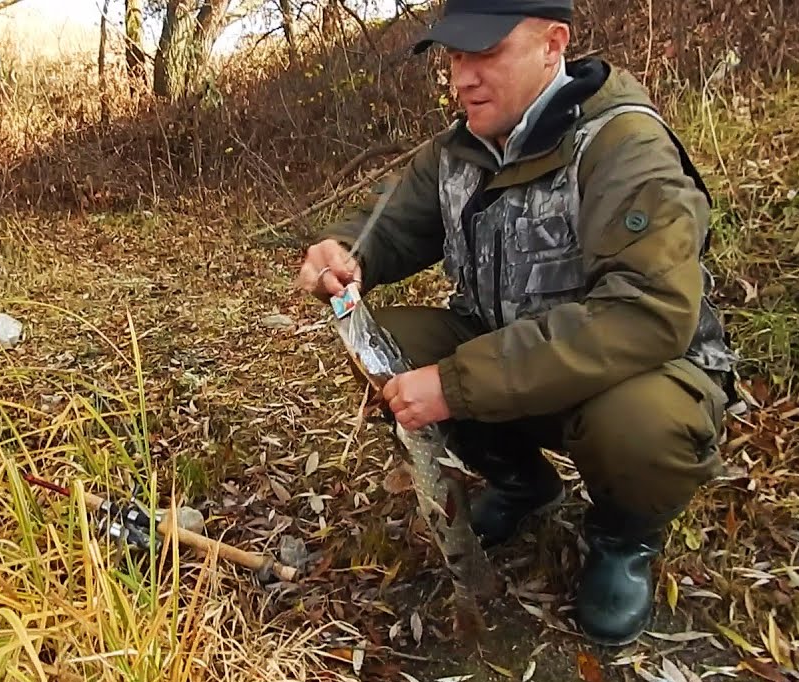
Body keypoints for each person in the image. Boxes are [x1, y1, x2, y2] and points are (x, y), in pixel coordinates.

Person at [295, 0, 738, 646]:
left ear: (553, 44)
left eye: (485, 53)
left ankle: (624, 540)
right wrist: (344, 252)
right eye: (454, 57)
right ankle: (523, 483)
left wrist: (456, 383)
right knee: (385, 349)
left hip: (631, 376)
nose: (462, 78)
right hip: (512, 366)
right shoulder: (460, 149)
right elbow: (389, 226)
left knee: (643, 424)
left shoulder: (623, 145)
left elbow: (646, 311)